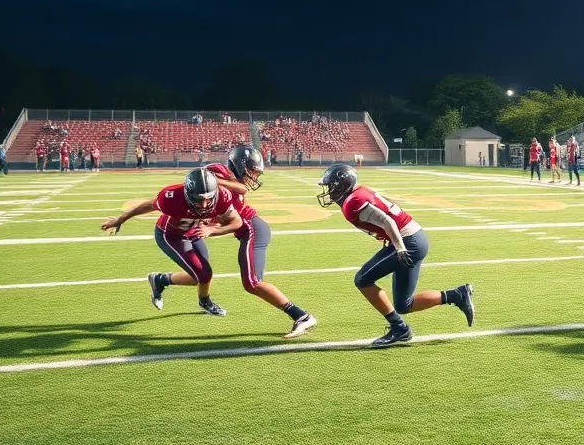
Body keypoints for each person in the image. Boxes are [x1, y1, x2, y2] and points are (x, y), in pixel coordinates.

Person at [317, 163, 474, 347]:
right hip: (414, 238)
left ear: (341, 185)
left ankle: (399, 328)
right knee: (403, 304)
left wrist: (400, 248)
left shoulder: (353, 202)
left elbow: (387, 220)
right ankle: (456, 295)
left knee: (362, 280)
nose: (328, 190)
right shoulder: (357, 194)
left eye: (331, 186)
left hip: (408, 242)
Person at [201, 145, 317, 338]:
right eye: (252, 171)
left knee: (253, 282)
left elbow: (236, 193)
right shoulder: (221, 173)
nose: (254, 177)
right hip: (249, 230)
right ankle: (301, 316)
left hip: (252, 230)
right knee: (251, 283)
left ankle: (302, 316)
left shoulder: (227, 180)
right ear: (240, 165)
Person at [101, 168, 241, 316]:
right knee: (203, 274)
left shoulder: (222, 196)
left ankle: (160, 280)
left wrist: (213, 230)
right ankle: (205, 302)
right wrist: (120, 220)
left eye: (209, 198)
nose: (205, 205)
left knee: (200, 276)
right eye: (199, 200)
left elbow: (237, 222)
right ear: (188, 193)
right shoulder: (171, 197)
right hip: (171, 236)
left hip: (194, 233)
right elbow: (148, 205)